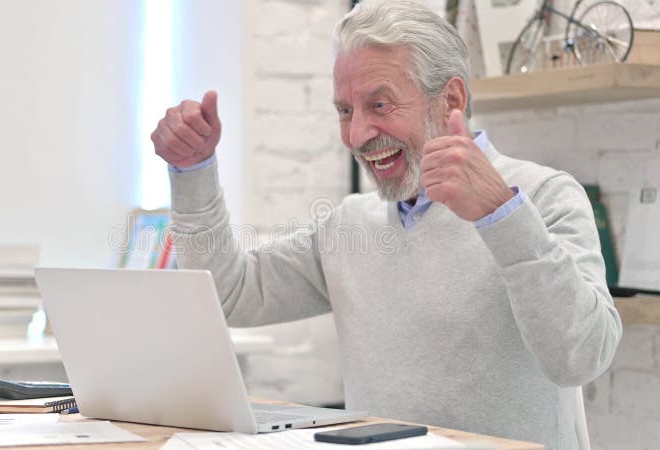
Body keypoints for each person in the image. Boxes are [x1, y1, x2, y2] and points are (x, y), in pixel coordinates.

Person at [150, 1, 621, 449]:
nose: (357, 135)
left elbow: (581, 357)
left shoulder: (544, 196)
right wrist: (192, 171)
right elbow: (227, 294)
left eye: (379, 105)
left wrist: (501, 214)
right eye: (345, 111)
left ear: (450, 100)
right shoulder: (349, 226)